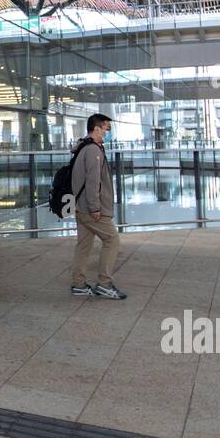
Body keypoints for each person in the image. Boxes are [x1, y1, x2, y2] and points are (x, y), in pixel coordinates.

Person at [70, 114, 126, 300]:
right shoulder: (93, 150)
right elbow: (93, 182)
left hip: (80, 205)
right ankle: (105, 284)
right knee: (112, 240)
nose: (108, 132)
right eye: (106, 129)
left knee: (84, 245)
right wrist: (95, 208)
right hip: (91, 209)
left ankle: (79, 285)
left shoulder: (82, 146)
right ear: (96, 129)